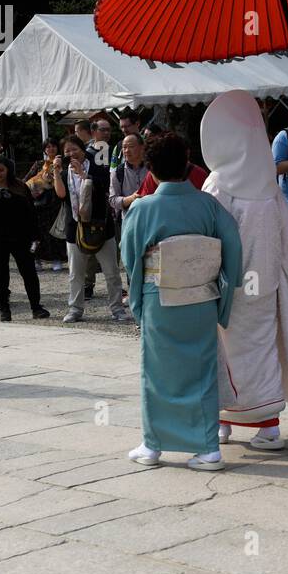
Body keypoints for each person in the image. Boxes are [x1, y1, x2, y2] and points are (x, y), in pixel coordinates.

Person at [121, 132, 243, 471]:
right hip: (202, 297)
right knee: (202, 371)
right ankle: (208, 449)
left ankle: (153, 444)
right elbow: (233, 247)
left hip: (159, 297)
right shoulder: (208, 205)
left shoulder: (143, 208)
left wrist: (137, 298)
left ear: (152, 170)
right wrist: (224, 293)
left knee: (157, 372)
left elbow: (129, 256)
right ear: (188, 164)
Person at [200, 91, 288, 450]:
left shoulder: (218, 183)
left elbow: (206, 234)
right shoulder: (268, 183)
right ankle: (269, 427)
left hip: (229, 284)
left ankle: (223, 424)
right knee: (263, 348)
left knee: (224, 351)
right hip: (267, 282)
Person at [52, 134, 129, 323]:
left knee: (111, 271)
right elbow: (61, 195)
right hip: (75, 228)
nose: (72, 154)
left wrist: (83, 175)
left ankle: (117, 308)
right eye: (67, 151)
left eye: (74, 149)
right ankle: (75, 309)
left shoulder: (99, 168)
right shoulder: (64, 172)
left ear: (83, 149)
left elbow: (103, 189)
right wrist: (55, 172)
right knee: (76, 273)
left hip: (101, 227)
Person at [0, 155, 50, 321]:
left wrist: (36, 235)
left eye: (1, 170)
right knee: (0, 273)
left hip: (20, 236)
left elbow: (31, 212)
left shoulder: (19, 186)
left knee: (29, 272)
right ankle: (4, 309)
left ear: (8, 169)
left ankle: (36, 307)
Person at [25, 137, 67, 271]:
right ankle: (37, 259)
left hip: (56, 202)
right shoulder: (39, 164)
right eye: (48, 147)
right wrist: (37, 184)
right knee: (39, 233)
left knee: (56, 232)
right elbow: (26, 181)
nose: (51, 149)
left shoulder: (63, 163)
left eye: (53, 146)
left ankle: (57, 258)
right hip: (40, 203)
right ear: (44, 150)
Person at [109, 133, 149, 240]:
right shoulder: (117, 172)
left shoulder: (153, 169)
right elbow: (112, 200)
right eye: (124, 147)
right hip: (129, 223)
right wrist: (131, 198)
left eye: (131, 146)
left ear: (142, 147)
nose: (126, 151)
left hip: (152, 221)